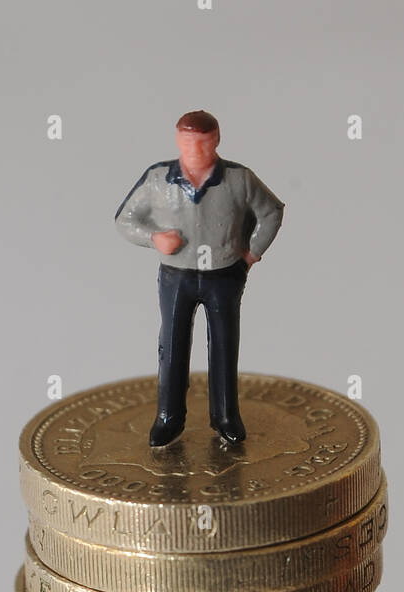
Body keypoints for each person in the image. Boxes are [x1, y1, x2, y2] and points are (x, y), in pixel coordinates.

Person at [114, 110, 284, 447]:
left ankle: (225, 416)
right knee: (172, 345)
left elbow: (271, 211)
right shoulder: (158, 178)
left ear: (216, 140)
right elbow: (125, 219)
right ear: (177, 141)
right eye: (189, 143)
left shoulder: (239, 178)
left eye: (204, 144)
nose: (196, 150)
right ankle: (168, 417)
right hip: (177, 276)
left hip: (223, 274)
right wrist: (153, 238)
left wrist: (252, 253)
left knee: (224, 344)